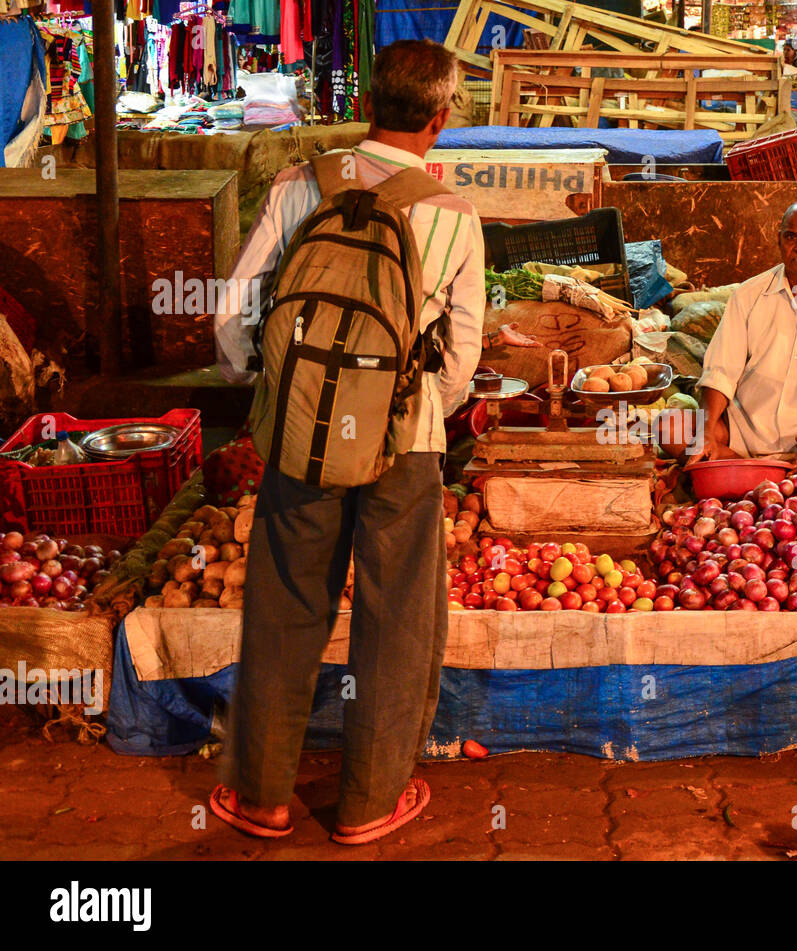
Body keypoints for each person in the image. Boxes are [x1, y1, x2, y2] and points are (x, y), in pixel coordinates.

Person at [209, 39, 484, 845]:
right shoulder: (452, 215)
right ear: (438, 119)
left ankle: (261, 794)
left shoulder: (300, 185)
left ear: (369, 102)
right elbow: (462, 359)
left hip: (302, 436)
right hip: (407, 440)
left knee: (287, 602)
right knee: (398, 615)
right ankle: (369, 801)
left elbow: (232, 317)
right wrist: (415, 405)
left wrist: (276, 391)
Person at [667, 200, 797, 472]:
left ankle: (743, 472)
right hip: (741, 432)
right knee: (670, 427)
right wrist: (708, 429)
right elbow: (721, 371)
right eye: (792, 236)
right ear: (780, 241)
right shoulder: (748, 295)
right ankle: (775, 475)